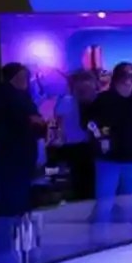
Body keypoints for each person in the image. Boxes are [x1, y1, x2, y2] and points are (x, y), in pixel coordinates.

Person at [85, 64, 132, 222]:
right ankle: (101, 241)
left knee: (129, 203)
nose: (131, 78)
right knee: (104, 203)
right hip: (108, 158)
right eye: (128, 74)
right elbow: (88, 123)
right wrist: (99, 137)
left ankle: (126, 238)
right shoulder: (103, 100)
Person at [0, 62, 44, 235]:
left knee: (12, 201)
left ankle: (12, 243)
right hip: (14, 157)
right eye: (24, 76)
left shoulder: (7, 95)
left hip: (12, 156)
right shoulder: (13, 97)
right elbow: (33, 121)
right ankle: (15, 244)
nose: (27, 79)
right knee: (14, 203)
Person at [54, 70, 98, 201]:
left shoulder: (65, 101)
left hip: (74, 146)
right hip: (84, 146)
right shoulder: (91, 100)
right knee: (87, 181)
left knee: (80, 181)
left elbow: (59, 125)